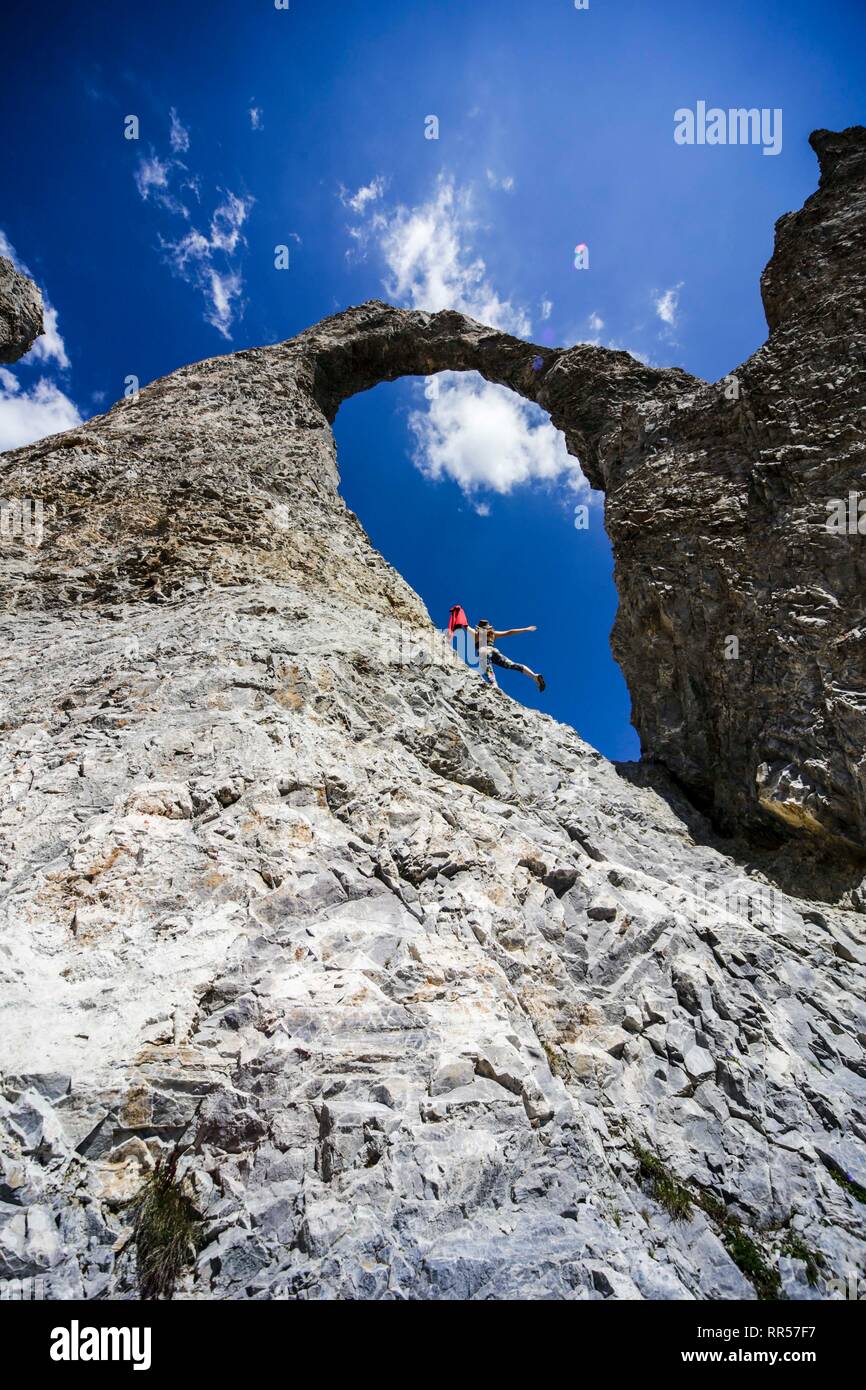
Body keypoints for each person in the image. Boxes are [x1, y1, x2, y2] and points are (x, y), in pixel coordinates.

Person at [468, 617, 546, 692]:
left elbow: (465, 626)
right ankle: (534, 676)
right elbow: (510, 632)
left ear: (479, 627)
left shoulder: (476, 634)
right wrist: (525, 629)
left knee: (487, 667)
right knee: (513, 665)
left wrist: (458, 614)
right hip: (494, 651)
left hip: (483, 651)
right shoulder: (493, 634)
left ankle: (494, 684)